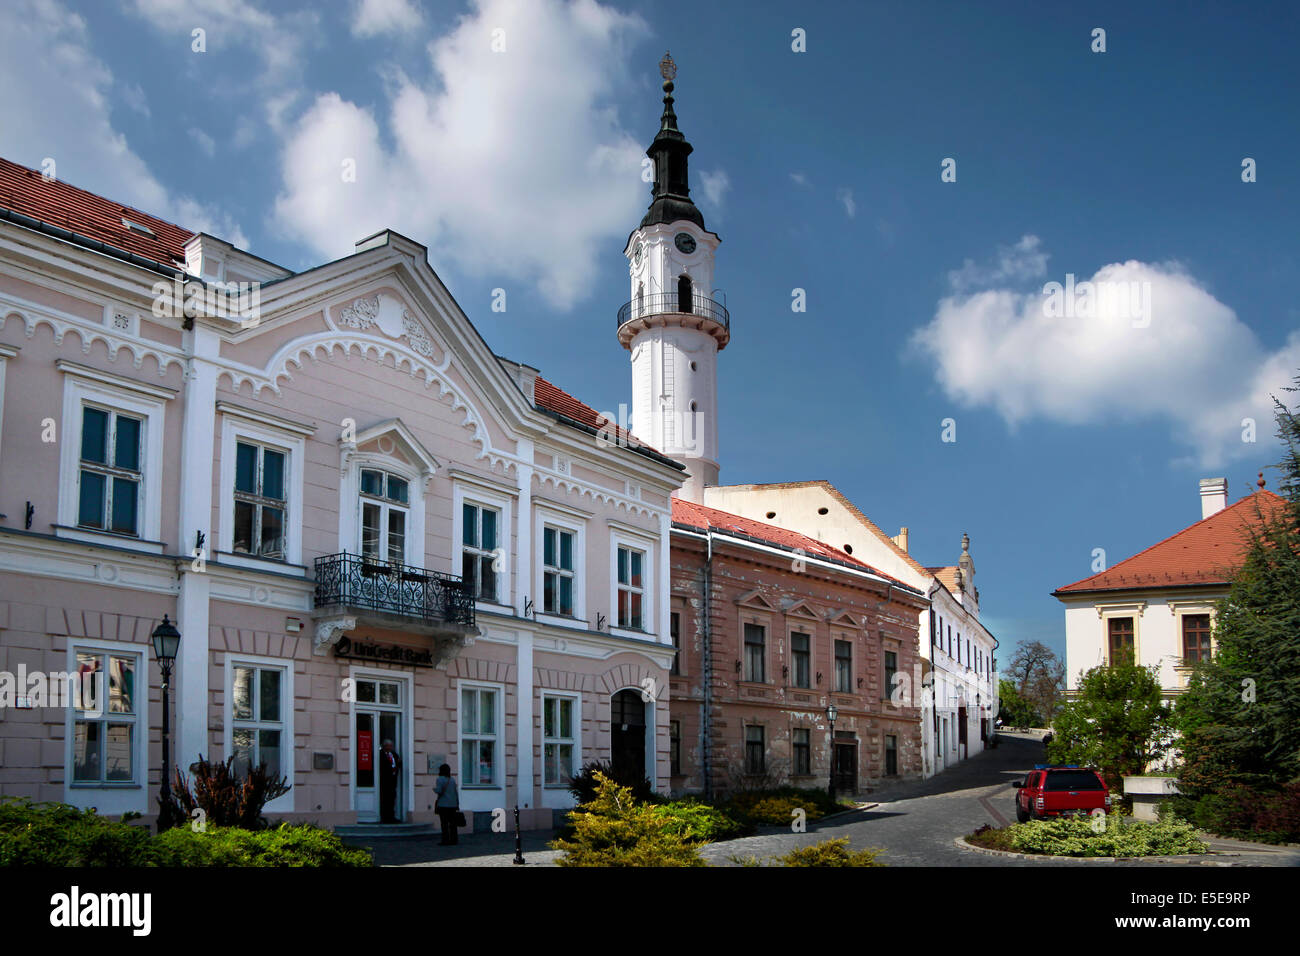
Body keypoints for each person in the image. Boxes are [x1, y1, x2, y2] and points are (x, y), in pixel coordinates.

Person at [434, 763, 460, 845]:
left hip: (443, 805)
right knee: (453, 824)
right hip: (452, 805)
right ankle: (454, 839)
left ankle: (445, 840)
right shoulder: (452, 780)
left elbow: (439, 791)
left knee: (444, 824)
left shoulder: (439, 779)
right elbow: (455, 793)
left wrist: (434, 789)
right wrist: (457, 803)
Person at [379, 739, 401, 824]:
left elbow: (398, 764)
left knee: (392, 799)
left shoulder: (394, 754)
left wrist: (399, 764)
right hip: (384, 781)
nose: (390, 747)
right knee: (385, 800)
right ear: (384, 746)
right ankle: (385, 818)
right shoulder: (380, 754)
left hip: (393, 781)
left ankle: (391, 817)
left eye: (391, 746)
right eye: (388, 746)